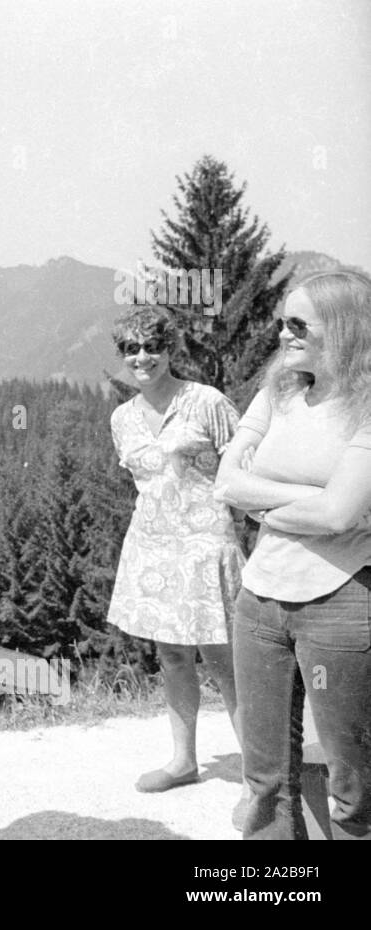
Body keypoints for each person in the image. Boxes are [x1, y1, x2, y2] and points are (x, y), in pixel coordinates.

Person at [214, 268, 371, 840]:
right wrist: (314, 499)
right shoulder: (278, 390)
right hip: (260, 597)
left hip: (344, 597)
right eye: (281, 322)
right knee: (265, 780)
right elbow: (226, 480)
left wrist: (264, 502)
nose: (282, 334)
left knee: (354, 779)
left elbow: (337, 518)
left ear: (346, 328)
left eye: (299, 324)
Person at [103, 308, 247, 803]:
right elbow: (146, 486)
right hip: (153, 548)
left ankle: (262, 780)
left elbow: (248, 464)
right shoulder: (121, 418)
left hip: (209, 547)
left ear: (170, 349)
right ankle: (184, 761)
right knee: (172, 655)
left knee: (225, 660)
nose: (141, 357)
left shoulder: (206, 402)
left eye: (151, 346)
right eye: (131, 349)